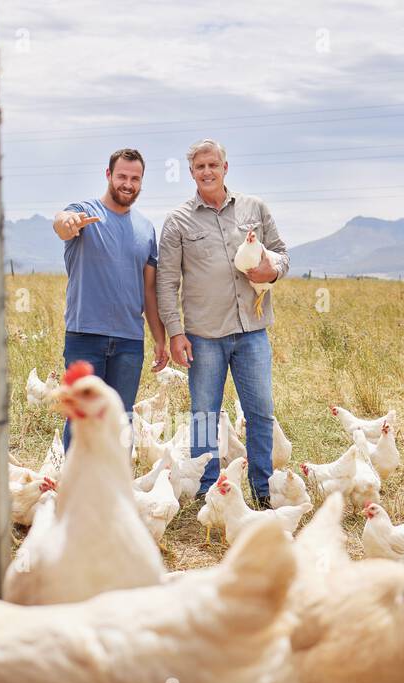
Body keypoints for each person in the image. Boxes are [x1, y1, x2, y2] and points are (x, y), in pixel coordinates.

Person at [156, 138, 288, 503]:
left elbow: (281, 254)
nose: (208, 171)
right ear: (192, 173)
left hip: (252, 333)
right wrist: (175, 333)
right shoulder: (178, 221)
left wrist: (271, 271)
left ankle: (263, 490)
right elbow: (167, 281)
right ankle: (207, 490)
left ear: (225, 168)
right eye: (200, 167)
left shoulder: (254, 208)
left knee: (261, 412)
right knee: (203, 414)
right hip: (204, 336)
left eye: (213, 164)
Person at [52, 147, 167, 450]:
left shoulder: (146, 229)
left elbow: (149, 291)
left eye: (135, 178)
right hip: (85, 336)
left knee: (120, 422)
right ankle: (77, 493)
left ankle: (113, 494)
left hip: (129, 342)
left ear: (141, 182)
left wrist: (159, 338)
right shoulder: (84, 212)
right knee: (81, 421)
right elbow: (62, 223)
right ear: (108, 175)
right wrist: (67, 222)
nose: (127, 184)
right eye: (121, 176)